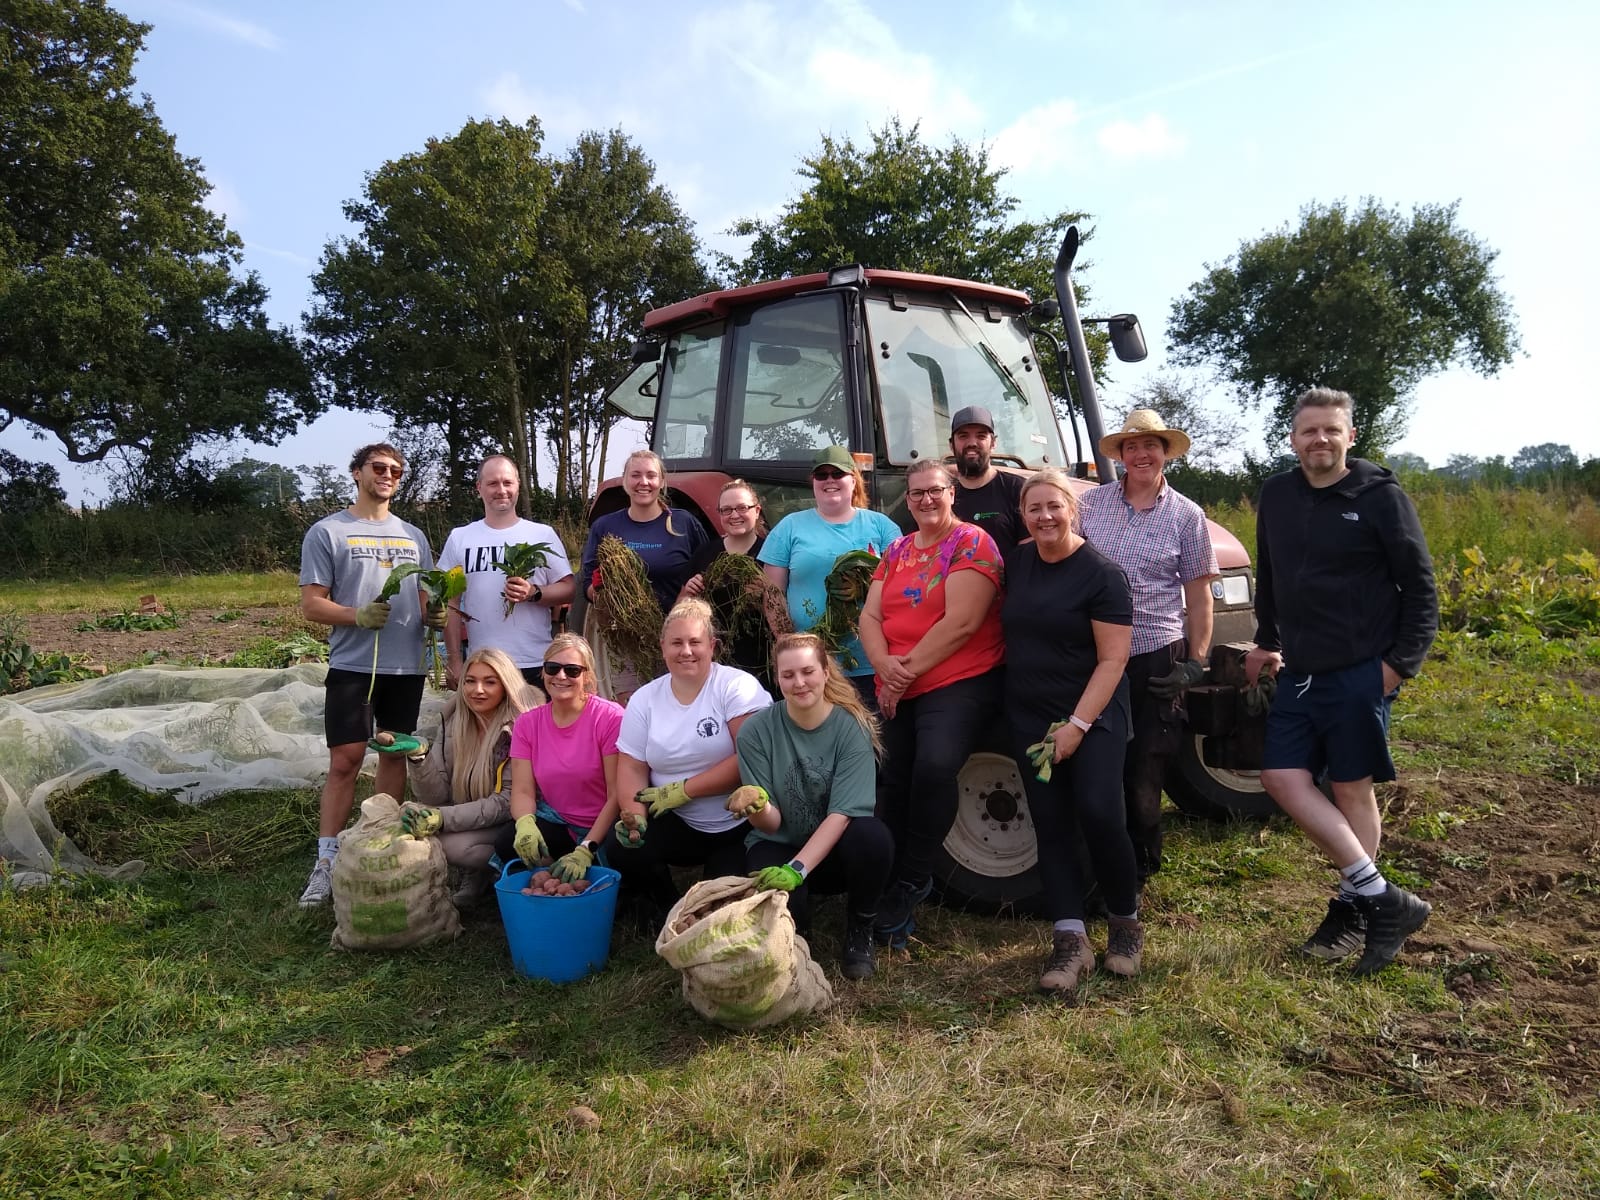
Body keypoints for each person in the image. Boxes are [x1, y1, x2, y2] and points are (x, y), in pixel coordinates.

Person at [1245, 387, 1439, 975]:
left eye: (1331, 430)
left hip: (1362, 669)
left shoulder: (1380, 497)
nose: (1319, 440)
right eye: (1309, 431)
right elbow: (1272, 573)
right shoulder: (1277, 495)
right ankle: (1384, 900)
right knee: (1280, 777)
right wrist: (1268, 639)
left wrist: (1397, 666)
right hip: (1302, 669)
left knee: (1351, 789)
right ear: (1293, 438)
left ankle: (1354, 910)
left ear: (1350, 437)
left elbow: (1422, 588)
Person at [1003, 468, 1142, 997]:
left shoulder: (1102, 574)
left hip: (1095, 712)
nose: (1045, 517)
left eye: (1054, 507)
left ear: (1072, 509)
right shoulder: (1018, 563)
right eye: (1034, 509)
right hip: (1029, 715)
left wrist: (1078, 726)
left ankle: (1125, 926)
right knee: (1051, 821)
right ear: (1024, 516)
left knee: (1102, 813)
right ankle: (1070, 937)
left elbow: (1113, 660)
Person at [858, 458, 1004, 947]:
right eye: (916, 493)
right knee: (888, 776)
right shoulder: (897, 550)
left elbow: (962, 623)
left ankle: (913, 879)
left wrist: (902, 674)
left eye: (934, 491)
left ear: (952, 492)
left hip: (958, 678)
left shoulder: (972, 543)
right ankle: (885, 874)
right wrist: (885, 668)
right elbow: (869, 618)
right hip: (899, 679)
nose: (925, 500)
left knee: (935, 768)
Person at [296, 441, 444, 908]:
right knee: (345, 759)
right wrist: (355, 616)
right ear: (358, 472)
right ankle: (325, 860)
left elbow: (425, 598)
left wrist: (434, 617)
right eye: (379, 468)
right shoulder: (328, 532)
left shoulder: (413, 536)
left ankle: (384, 843)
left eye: (397, 471)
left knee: (393, 753)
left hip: (405, 665)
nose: (388, 476)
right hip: (354, 664)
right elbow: (311, 603)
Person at [1079, 410, 1219, 886]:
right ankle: (1101, 861)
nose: (1141, 454)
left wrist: (1196, 661)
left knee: (1147, 764)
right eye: (1131, 447)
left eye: (1151, 446)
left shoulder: (1187, 516)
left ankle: (1139, 867)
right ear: (1120, 455)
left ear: (1165, 453)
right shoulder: (1091, 506)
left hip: (1154, 651)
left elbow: (1199, 596)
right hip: (1094, 653)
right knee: (1100, 760)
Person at [733, 633, 894, 980]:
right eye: (788, 675)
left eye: (808, 672)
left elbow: (843, 813)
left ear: (824, 672)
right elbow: (771, 825)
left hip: (837, 850)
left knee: (873, 837)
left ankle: (860, 928)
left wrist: (798, 869)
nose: (799, 683)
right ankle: (798, 933)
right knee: (788, 922)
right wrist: (758, 805)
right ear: (777, 678)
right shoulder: (755, 732)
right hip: (778, 844)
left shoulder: (852, 728)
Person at [606, 599, 773, 908]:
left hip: (738, 823)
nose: (686, 651)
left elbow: (753, 758)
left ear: (713, 645)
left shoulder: (736, 686)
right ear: (662, 647)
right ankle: (664, 904)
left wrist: (686, 790)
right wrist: (636, 820)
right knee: (620, 849)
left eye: (695, 642)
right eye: (676, 643)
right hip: (677, 820)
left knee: (717, 903)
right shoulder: (645, 699)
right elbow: (631, 768)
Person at [760, 445, 900, 707]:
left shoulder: (880, 526)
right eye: (821, 475)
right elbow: (772, 594)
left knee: (871, 738)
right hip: (810, 666)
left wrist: (863, 583)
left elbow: (901, 585)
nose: (830, 480)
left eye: (837, 474)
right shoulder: (790, 527)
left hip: (870, 660)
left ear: (853, 479)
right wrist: (786, 643)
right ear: (813, 482)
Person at [398, 648, 537, 907]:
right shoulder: (452, 723)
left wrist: (444, 819)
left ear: (507, 685)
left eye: (490, 682)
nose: (478, 690)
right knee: (413, 824)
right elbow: (435, 796)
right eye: (470, 681)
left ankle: (508, 868)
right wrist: (419, 758)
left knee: (449, 845)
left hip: (516, 820)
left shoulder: (519, 727)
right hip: (472, 815)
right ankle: (479, 874)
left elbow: (507, 802)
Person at [439, 454, 574, 694]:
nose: (501, 490)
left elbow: (569, 588)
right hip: (482, 664)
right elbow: (451, 602)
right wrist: (454, 659)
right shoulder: (460, 538)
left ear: (518, 486)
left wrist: (534, 592)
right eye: (492, 483)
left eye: (507, 482)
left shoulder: (541, 535)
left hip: (532, 661)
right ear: (479, 488)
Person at [503, 633, 626, 884]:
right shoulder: (527, 723)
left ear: (588, 676)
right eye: (553, 668)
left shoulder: (609, 718)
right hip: (561, 821)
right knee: (506, 841)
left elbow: (617, 794)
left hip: (606, 822)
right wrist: (525, 823)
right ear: (543, 672)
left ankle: (600, 872)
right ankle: (557, 878)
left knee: (622, 850)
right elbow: (523, 790)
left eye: (572, 670)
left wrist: (587, 848)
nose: (561, 676)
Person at [679, 478, 781, 696]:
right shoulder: (705, 554)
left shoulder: (772, 554)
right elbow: (679, 614)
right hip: (717, 663)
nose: (734, 515)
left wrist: (767, 592)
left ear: (757, 510)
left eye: (742, 507)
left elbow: (784, 623)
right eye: (726, 510)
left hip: (763, 665)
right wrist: (688, 592)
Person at [581, 447, 709, 617]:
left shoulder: (685, 523)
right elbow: (587, 585)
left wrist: (689, 593)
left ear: (662, 481)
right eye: (635, 475)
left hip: (679, 626)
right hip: (623, 630)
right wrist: (601, 590)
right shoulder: (604, 526)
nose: (644, 482)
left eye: (651, 475)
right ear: (625, 480)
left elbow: (707, 569)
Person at [948, 405, 1026, 557]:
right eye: (963, 436)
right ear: (951, 444)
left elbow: (1030, 552)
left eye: (981, 436)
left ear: (993, 443)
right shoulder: (940, 495)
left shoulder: (1018, 489)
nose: (972, 443)